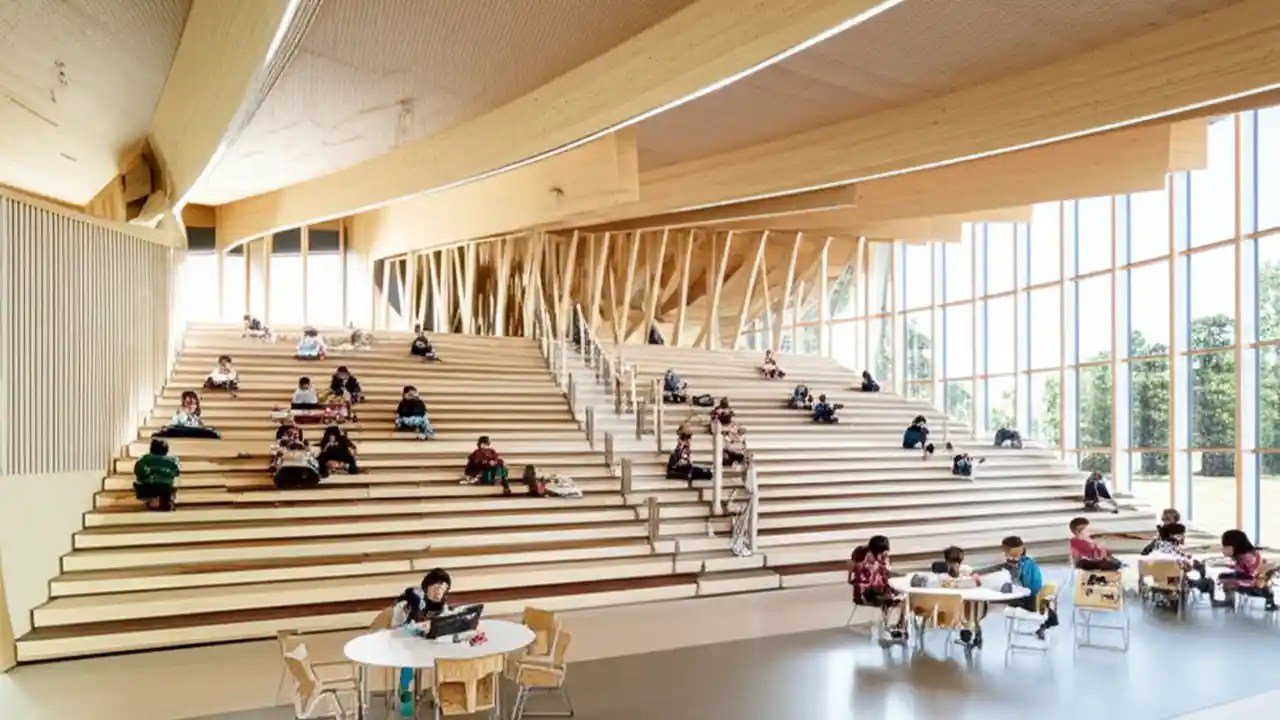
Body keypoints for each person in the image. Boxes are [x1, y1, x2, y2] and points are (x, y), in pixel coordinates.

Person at [391, 569, 453, 716]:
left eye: (443, 588)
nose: (439, 592)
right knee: (408, 667)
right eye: (436, 587)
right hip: (408, 643)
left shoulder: (443, 606)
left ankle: (442, 697)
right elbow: (396, 626)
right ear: (427, 587)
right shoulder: (411, 600)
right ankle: (405, 699)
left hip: (432, 644)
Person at [993, 535, 1058, 640]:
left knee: (996, 599)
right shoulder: (1026, 561)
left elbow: (1023, 584)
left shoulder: (1022, 564)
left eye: (1005, 550)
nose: (1003, 553)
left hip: (1028, 600)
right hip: (1031, 598)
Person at [848, 536, 907, 641]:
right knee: (901, 600)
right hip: (867, 594)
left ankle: (898, 625)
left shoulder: (876, 557)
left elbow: (885, 575)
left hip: (877, 590)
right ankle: (896, 626)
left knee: (905, 597)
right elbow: (872, 581)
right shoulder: (866, 562)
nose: (887, 553)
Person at [1215, 530, 1277, 610]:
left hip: (1252, 582)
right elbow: (1242, 568)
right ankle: (1229, 599)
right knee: (1224, 576)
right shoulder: (1246, 554)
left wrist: (1233, 578)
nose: (1223, 549)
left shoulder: (1247, 557)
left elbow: (1251, 573)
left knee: (1226, 580)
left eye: (1226, 546)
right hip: (1249, 578)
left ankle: (1229, 601)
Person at [133, 438, 179, 511]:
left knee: (139, 484)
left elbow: (139, 470)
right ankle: (166, 500)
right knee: (170, 486)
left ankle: (152, 500)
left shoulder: (145, 458)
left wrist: (146, 477)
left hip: (147, 486)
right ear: (166, 450)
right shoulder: (173, 459)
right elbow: (176, 472)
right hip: (165, 485)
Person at [271, 424, 321, 489]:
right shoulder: (281, 442)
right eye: (290, 433)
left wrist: (304, 447)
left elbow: (309, 451)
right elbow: (276, 450)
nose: (294, 435)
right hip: (287, 461)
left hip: (301, 460)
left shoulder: (303, 442)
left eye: (296, 433)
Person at [154, 391, 221, 439]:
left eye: (194, 403)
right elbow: (174, 424)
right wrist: (184, 413)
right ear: (183, 404)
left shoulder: (196, 418)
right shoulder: (179, 414)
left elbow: (200, 427)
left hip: (194, 434)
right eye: (188, 403)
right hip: (180, 432)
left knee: (211, 431)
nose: (191, 406)